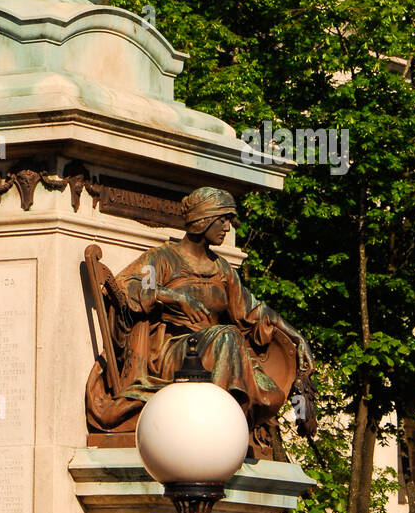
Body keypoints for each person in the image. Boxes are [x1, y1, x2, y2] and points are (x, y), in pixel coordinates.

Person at [86, 186, 314, 456]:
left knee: (272, 394)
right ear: (202, 220)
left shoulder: (222, 269)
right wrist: (175, 297)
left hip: (217, 350)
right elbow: (134, 287)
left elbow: (254, 311)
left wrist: (298, 337)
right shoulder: (160, 259)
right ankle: (214, 429)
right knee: (227, 336)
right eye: (223, 219)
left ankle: (224, 425)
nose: (227, 228)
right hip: (171, 353)